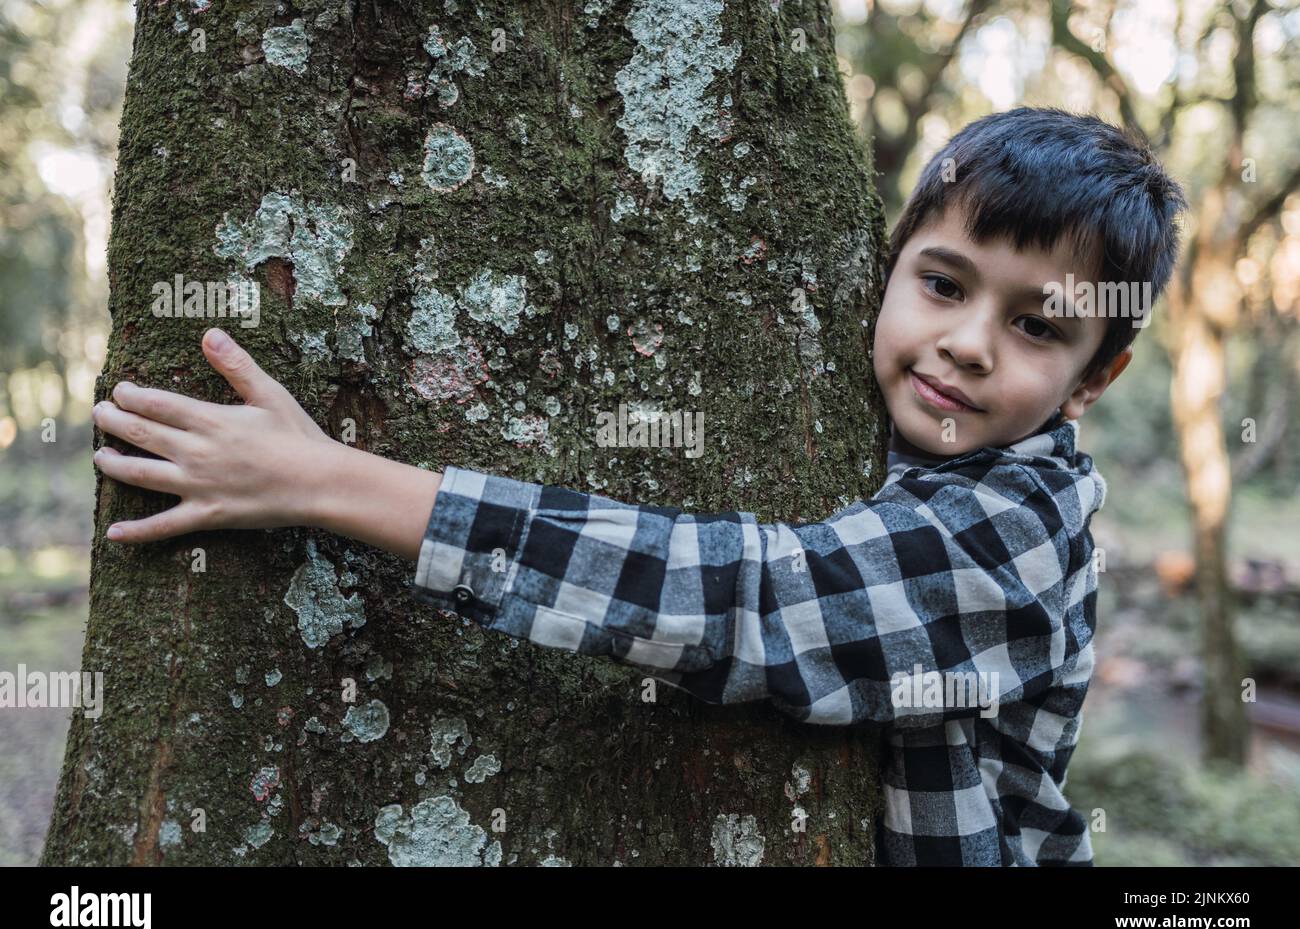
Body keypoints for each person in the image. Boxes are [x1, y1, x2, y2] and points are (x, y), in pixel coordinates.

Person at [89, 107, 1188, 865]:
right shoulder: (915, 446)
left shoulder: (1023, 531)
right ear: (883, 266)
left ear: (1095, 377)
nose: (967, 345)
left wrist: (327, 479)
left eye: (1036, 326)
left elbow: (749, 599)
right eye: (942, 283)